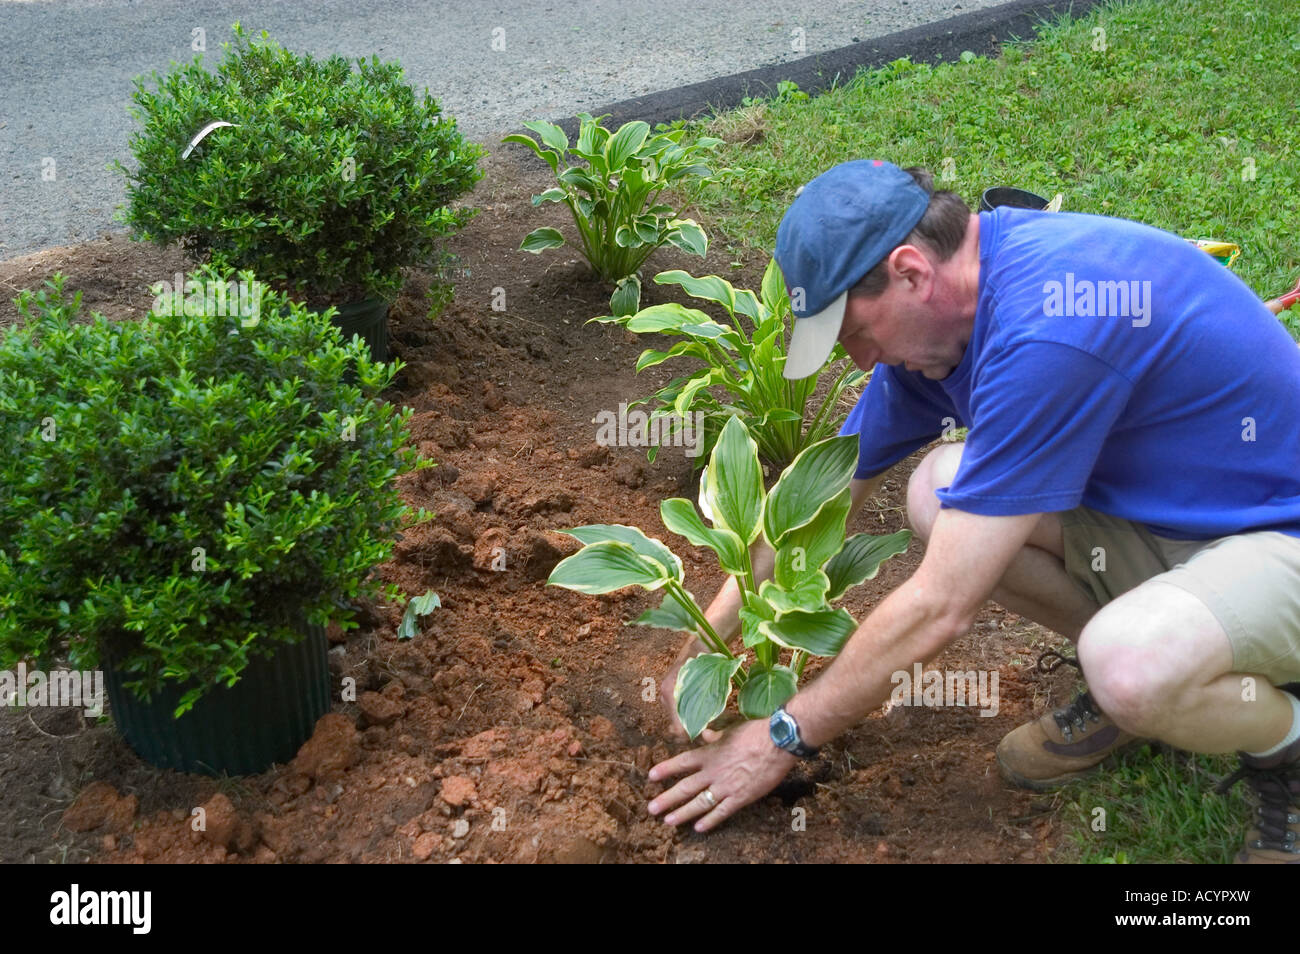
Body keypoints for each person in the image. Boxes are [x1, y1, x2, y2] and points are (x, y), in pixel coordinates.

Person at [647, 158, 1300, 864]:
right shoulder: (947, 322)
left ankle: (1281, 742)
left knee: (1129, 664)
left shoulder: (1049, 327)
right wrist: (706, 642)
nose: (862, 363)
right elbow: (824, 493)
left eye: (855, 336)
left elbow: (941, 605)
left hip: (1275, 537)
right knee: (936, 490)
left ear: (910, 272)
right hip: (1176, 524)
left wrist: (782, 735)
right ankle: (1159, 680)